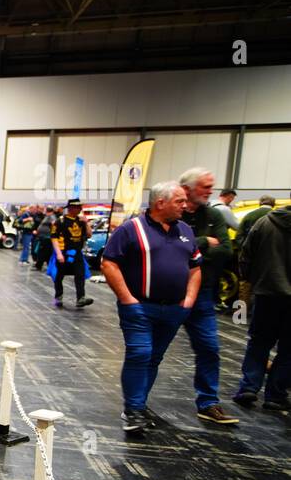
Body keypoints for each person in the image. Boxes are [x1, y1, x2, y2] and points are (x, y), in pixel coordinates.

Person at [100, 181, 201, 432]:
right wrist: (127, 299)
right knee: (140, 353)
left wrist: (188, 301)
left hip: (174, 310)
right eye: (180, 201)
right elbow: (109, 264)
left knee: (154, 358)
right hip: (139, 308)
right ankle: (133, 410)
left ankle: (139, 405)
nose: (185, 206)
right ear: (160, 203)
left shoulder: (186, 230)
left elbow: (196, 267)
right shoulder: (131, 229)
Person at [178, 167, 237, 425]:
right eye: (205, 187)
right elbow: (169, 250)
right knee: (151, 351)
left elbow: (225, 250)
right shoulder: (173, 212)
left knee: (210, 348)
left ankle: (208, 402)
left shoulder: (213, 214)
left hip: (203, 293)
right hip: (168, 294)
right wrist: (202, 242)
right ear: (189, 188)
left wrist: (189, 249)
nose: (211, 191)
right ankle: (137, 406)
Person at [232, 203, 291, 412]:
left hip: (267, 293)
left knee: (258, 342)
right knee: (288, 349)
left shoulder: (265, 221)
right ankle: (275, 395)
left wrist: (250, 280)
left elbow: (246, 254)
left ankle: (248, 388)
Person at [49, 199, 93, 308]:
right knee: (59, 275)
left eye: (79, 207)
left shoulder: (81, 221)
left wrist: (86, 223)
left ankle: (80, 298)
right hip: (63, 252)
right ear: (70, 208)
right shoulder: (60, 221)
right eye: (76, 207)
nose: (78, 209)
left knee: (80, 274)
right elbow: (54, 238)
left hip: (77, 253)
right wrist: (58, 253)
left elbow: (89, 235)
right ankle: (58, 296)